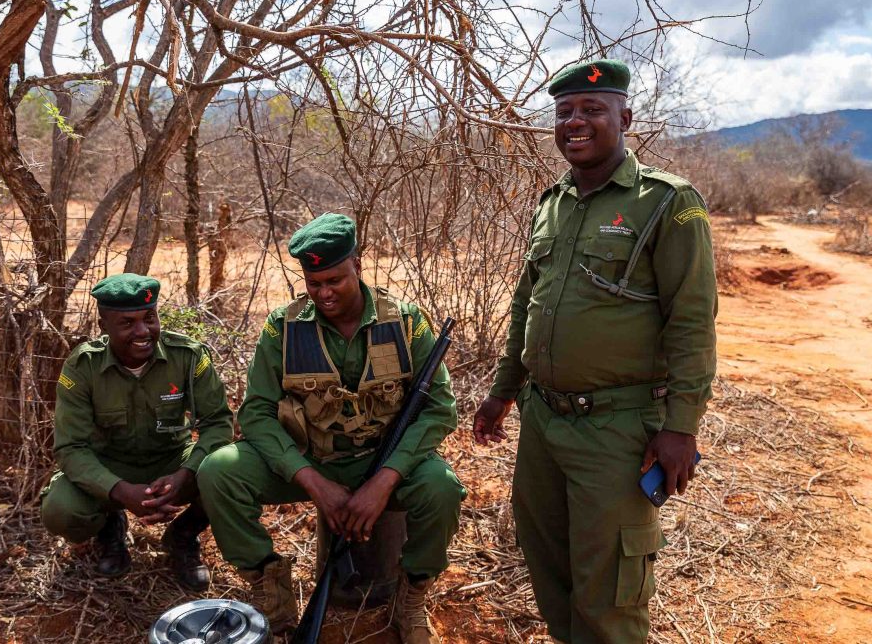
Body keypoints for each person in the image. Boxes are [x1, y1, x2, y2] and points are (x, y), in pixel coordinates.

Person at [472, 59, 718, 643]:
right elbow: (525, 306)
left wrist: (681, 426)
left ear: (625, 117)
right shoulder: (552, 202)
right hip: (543, 420)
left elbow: (692, 320)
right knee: (548, 561)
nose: (575, 121)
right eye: (564, 113)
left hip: (618, 428)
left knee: (610, 588)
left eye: (592, 109)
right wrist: (504, 391)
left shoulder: (667, 203)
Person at [197, 213, 465, 642]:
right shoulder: (282, 328)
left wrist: (383, 481)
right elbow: (257, 413)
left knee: (442, 487)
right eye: (313, 282)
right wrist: (313, 482)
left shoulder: (405, 322)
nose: (324, 293)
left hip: (384, 463)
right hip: (311, 462)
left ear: (358, 265)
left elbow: (439, 409)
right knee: (218, 470)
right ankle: (270, 590)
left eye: (335, 280)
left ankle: (411, 594)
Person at [40, 273, 234, 589]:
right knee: (60, 510)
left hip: (172, 462)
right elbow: (71, 448)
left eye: (149, 318)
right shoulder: (82, 366)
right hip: (109, 467)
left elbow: (218, 424)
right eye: (128, 323)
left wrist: (184, 474)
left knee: (229, 470)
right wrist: (119, 491)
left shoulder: (187, 356)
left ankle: (182, 537)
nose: (143, 331)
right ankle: (109, 527)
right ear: (103, 326)